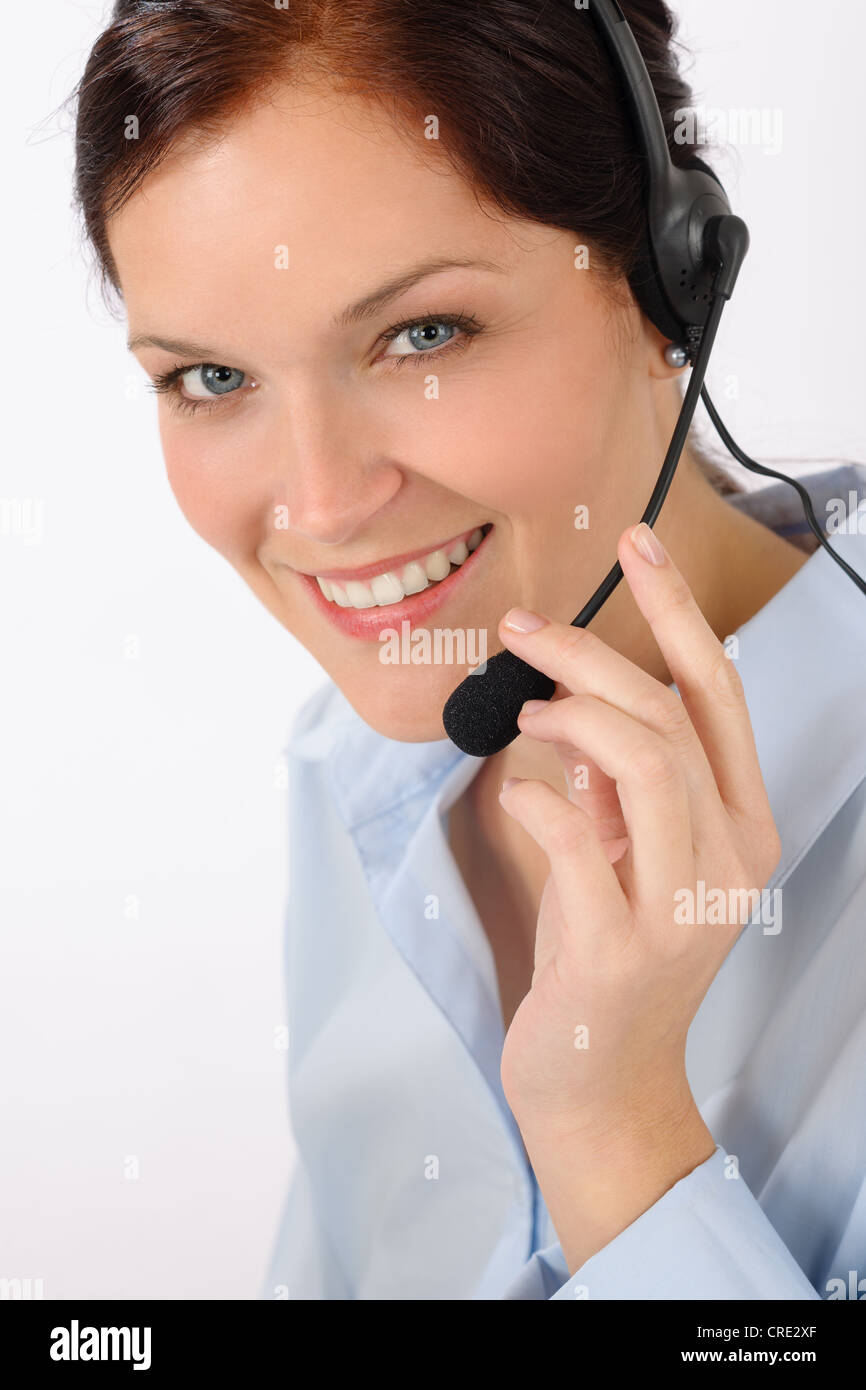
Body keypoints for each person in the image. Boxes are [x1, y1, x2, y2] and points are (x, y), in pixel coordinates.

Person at [72, 0, 866, 1299]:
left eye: (421, 336)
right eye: (210, 379)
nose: (320, 505)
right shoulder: (354, 778)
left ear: (672, 283)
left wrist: (615, 1136)